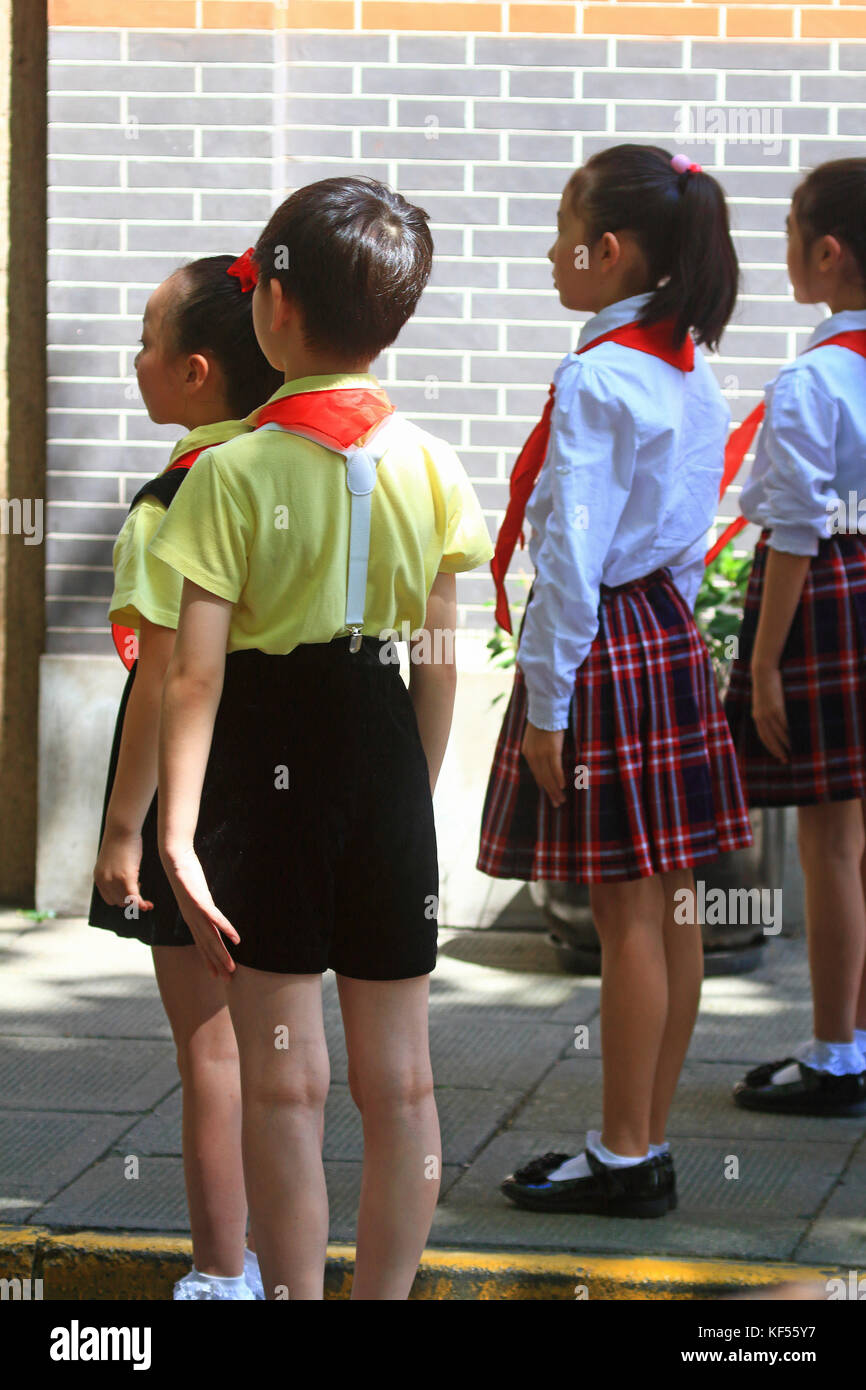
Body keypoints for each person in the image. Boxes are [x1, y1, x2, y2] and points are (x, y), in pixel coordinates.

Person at [147, 177, 494, 1299]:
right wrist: (412, 791)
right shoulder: (433, 464)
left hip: (266, 758)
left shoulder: (228, 473)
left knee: (282, 1078)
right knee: (402, 1085)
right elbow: (440, 658)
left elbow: (194, 673)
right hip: (383, 738)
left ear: (275, 307)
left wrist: (178, 834)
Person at [478, 144, 753, 1217]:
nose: (553, 254)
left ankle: (626, 1153)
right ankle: (638, 1139)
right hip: (663, 630)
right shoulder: (687, 362)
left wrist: (549, 703)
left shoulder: (599, 375)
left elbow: (572, 554)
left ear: (610, 250)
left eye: (562, 232)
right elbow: (683, 534)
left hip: (600, 640)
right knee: (671, 902)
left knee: (628, 914)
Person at [90, 255, 282, 1299]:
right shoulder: (295, 471)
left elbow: (161, 678)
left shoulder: (173, 499)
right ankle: (290, 1263)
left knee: (208, 1047)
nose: (136, 359)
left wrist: (125, 828)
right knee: (285, 1050)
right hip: (292, 785)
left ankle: (223, 1271)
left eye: (146, 340)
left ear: (196, 371)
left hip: (192, 807)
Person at [724, 159, 866, 1117]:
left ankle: (834, 1053)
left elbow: (795, 531)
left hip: (833, 593)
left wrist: (764, 661)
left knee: (831, 840)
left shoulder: (815, 377)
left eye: (786, 234)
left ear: (826, 250)